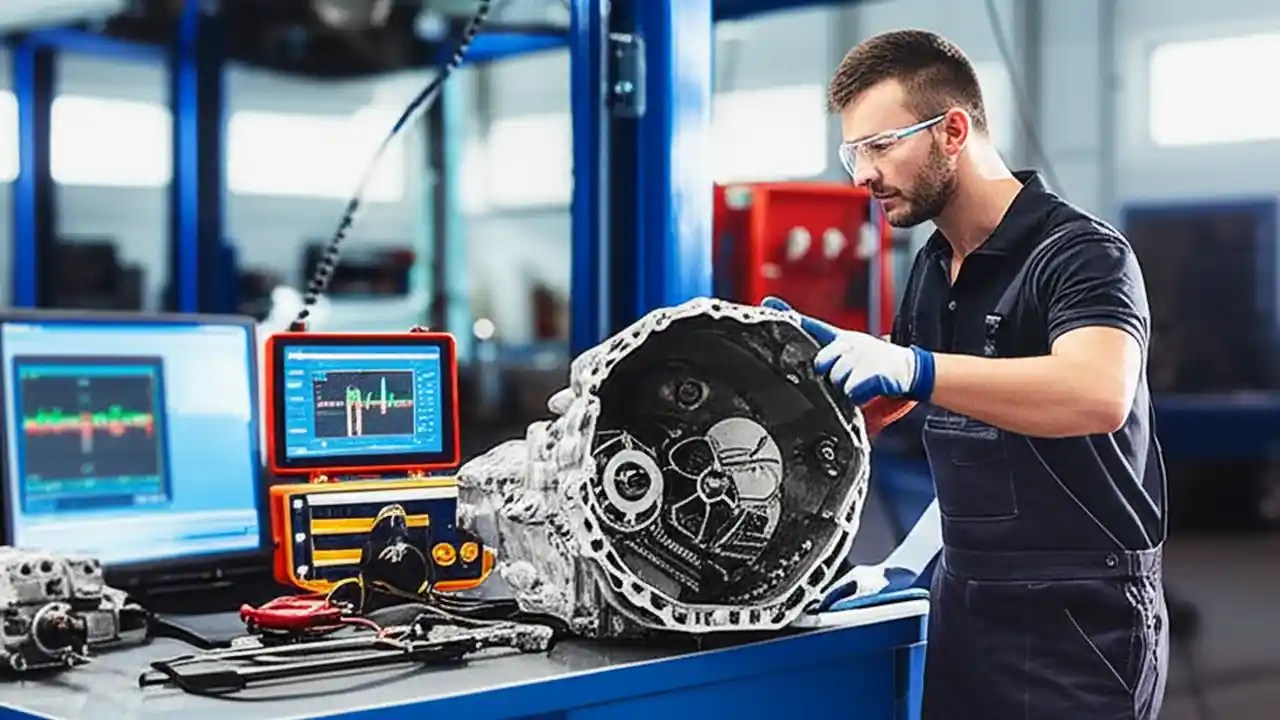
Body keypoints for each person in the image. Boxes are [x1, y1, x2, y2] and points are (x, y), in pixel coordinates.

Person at [765, 29, 1169, 719]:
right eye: (851, 151)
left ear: (953, 130)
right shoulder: (932, 267)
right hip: (966, 606)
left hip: (1081, 623)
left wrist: (915, 367)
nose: (860, 175)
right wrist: (806, 401)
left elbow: (1097, 394)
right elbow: (928, 414)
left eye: (880, 145)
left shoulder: (1081, 256)